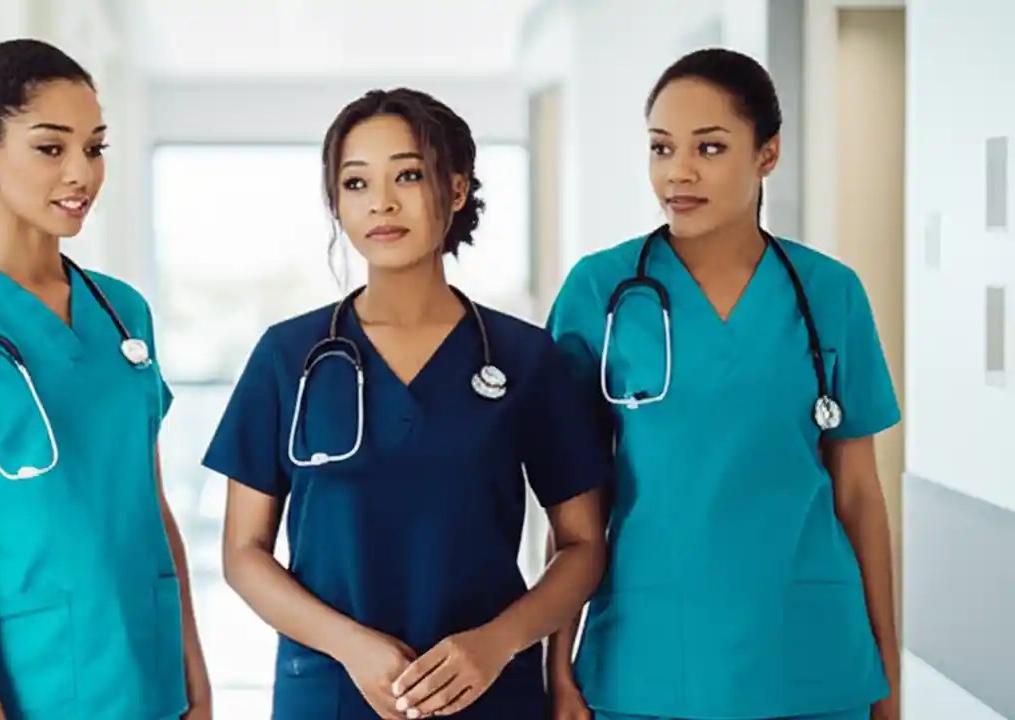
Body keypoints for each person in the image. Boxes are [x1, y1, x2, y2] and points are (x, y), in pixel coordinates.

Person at [204, 87, 612, 720]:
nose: (382, 203)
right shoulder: (289, 356)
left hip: (486, 694)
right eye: (356, 183)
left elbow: (583, 545)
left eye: (409, 175)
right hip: (332, 690)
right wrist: (351, 647)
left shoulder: (526, 359)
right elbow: (243, 552)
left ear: (454, 189)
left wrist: (497, 643)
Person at [545, 48, 901, 720]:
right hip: (646, 663)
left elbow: (859, 496)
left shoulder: (831, 293)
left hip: (812, 660)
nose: (677, 172)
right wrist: (556, 668)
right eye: (660, 148)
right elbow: (575, 505)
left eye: (709, 147)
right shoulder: (600, 291)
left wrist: (887, 677)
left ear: (768, 154)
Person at [0, 39, 210, 720]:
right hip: (19, 678)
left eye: (95, 147)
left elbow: (151, 502)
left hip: (142, 668)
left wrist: (195, 679)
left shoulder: (122, 312)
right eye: (51, 148)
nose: (82, 172)